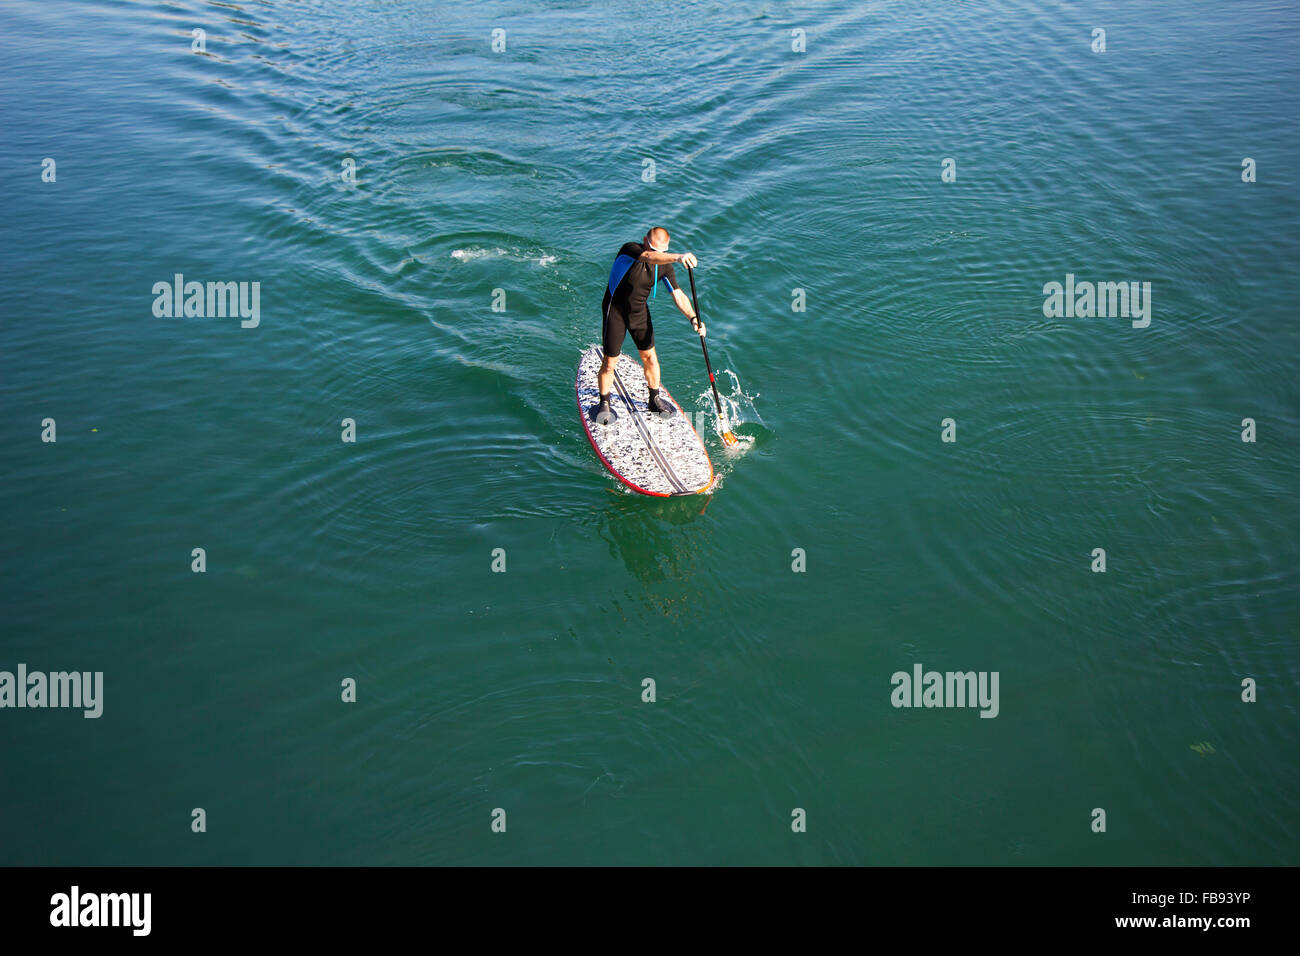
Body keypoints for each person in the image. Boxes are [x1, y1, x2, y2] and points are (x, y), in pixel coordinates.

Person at [592, 227, 705, 424]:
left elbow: (677, 294)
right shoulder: (630, 250)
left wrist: (693, 318)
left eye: (660, 251)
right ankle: (604, 403)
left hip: (639, 313)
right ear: (645, 241)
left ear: (666, 249)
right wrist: (678, 258)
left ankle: (654, 399)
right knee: (610, 362)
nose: (656, 254)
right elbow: (647, 257)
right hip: (615, 311)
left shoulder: (665, 266)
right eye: (652, 248)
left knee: (650, 358)